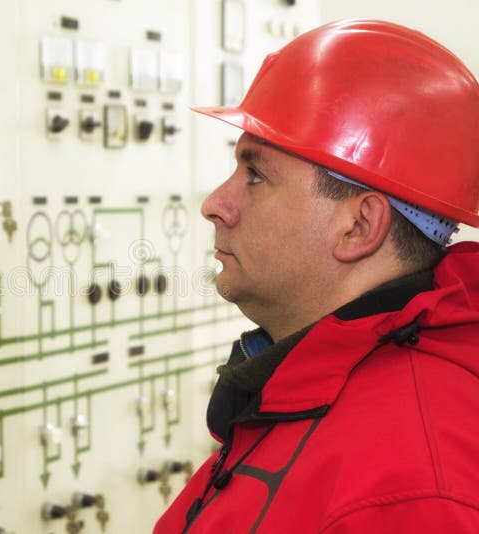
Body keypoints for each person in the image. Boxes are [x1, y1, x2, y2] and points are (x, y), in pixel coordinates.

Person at [154, 19, 479, 533]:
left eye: (256, 174)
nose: (215, 204)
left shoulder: (409, 488)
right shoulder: (317, 389)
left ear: (358, 225)